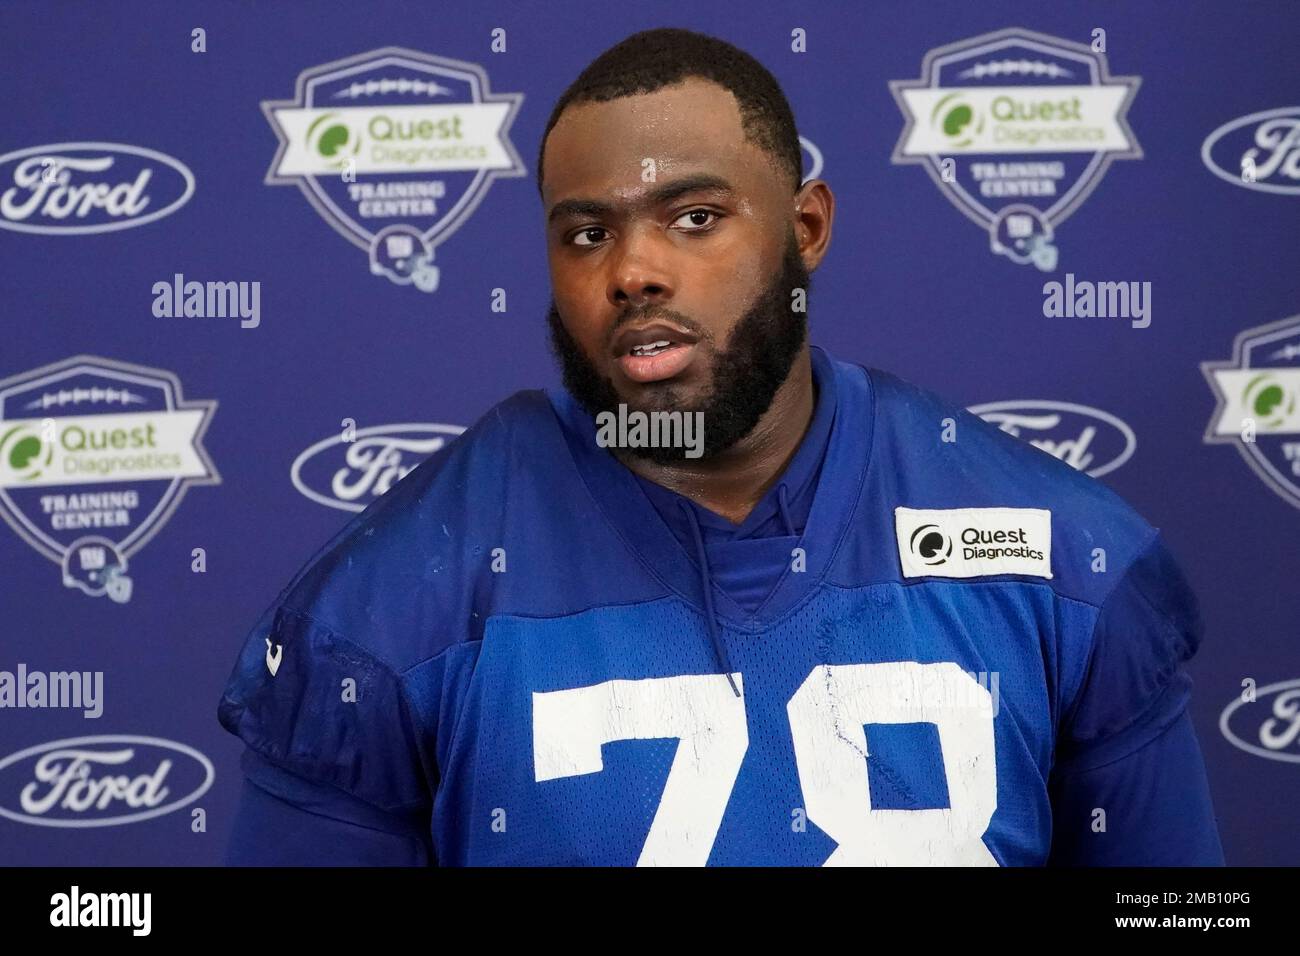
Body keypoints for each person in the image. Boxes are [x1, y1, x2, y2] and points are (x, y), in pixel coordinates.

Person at [218, 27, 1224, 866]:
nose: (634, 271)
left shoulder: (1062, 557)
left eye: (693, 217)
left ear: (807, 227)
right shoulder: (392, 604)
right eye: (585, 234)